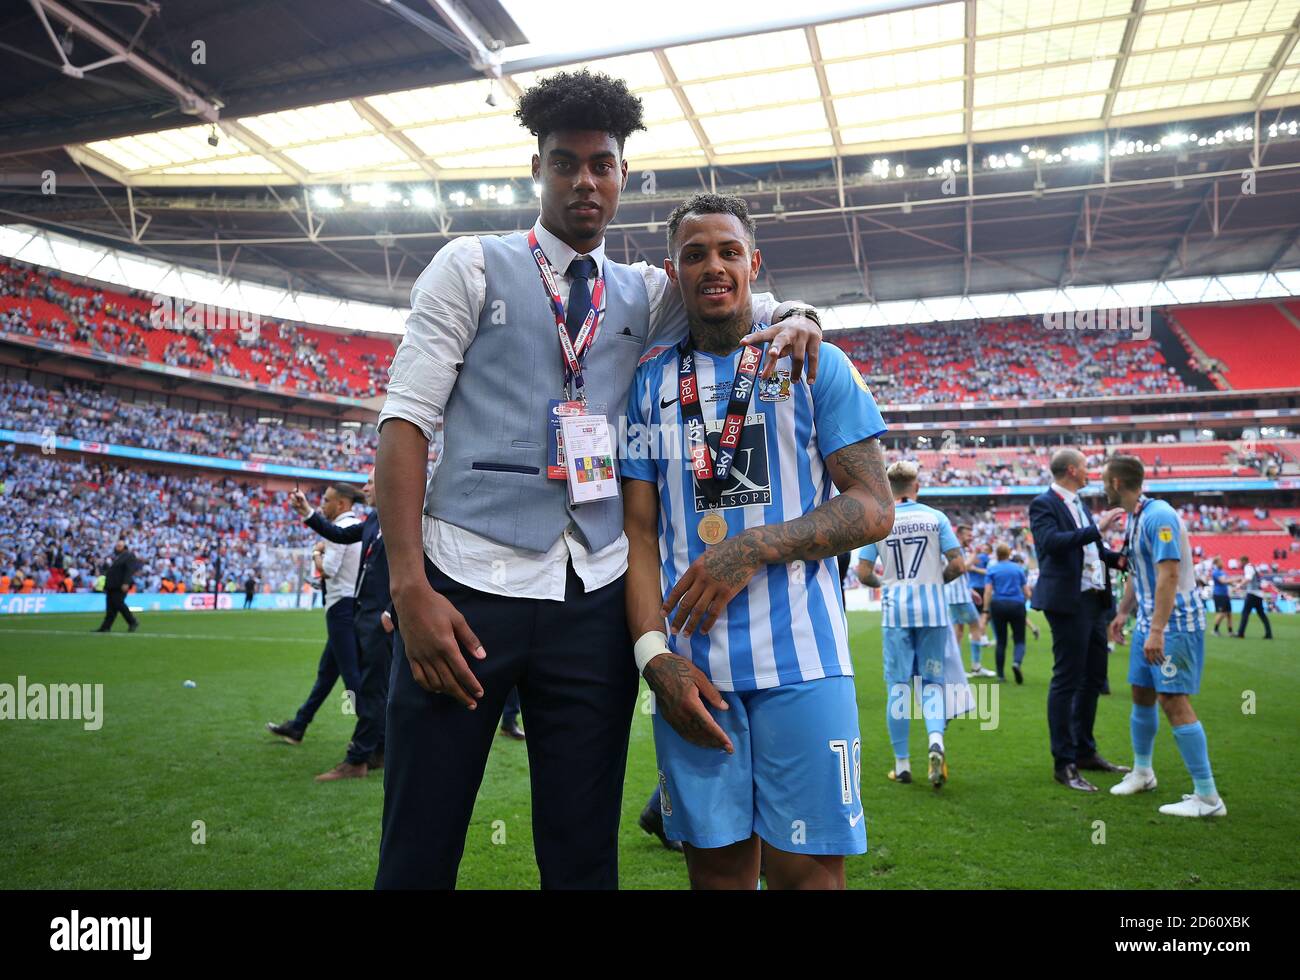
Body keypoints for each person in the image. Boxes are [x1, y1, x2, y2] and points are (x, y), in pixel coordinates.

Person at [372, 71, 823, 890]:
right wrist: (407, 585)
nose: (586, 181)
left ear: (622, 174)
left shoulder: (648, 294)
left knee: (583, 852)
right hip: (467, 582)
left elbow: (738, 298)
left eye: (602, 164)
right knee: (420, 839)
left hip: (593, 595)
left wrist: (803, 317)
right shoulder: (468, 266)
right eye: (565, 163)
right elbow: (404, 423)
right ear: (536, 170)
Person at [624, 193, 892, 888]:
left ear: (753, 264)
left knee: (808, 876)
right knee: (716, 877)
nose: (712, 266)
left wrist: (755, 545)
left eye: (728, 251)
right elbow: (639, 535)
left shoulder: (815, 364)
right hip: (694, 675)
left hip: (804, 666)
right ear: (672, 271)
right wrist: (655, 660)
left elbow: (872, 509)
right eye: (694, 254)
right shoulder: (648, 384)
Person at [1103, 456, 1225, 817]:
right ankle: (1143, 772)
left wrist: (1156, 629)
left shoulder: (1159, 517)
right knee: (1142, 692)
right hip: (1147, 621)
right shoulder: (1137, 517)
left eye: (1104, 480)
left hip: (1174, 623)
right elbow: (1139, 572)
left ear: (1117, 484)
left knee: (1173, 700)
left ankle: (1208, 798)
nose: (1101, 486)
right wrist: (1124, 612)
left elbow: (1168, 575)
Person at [856, 462, 965, 790]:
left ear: (888, 487)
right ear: (916, 485)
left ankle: (902, 764)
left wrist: (886, 583)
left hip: (896, 614)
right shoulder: (935, 518)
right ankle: (936, 741)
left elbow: (862, 573)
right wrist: (936, 582)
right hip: (932, 612)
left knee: (898, 687)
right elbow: (958, 564)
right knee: (932, 683)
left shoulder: (879, 520)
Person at [1028, 448, 1129, 792]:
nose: (1091, 472)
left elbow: (1093, 551)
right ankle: (1064, 762)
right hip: (1068, 602)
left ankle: (1085, 751)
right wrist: (1097, 529)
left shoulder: (1079, 503)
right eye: (1086, 467)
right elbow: (1050, 543)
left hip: (1094, 599)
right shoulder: (1044, 503)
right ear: (1072, 470)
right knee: (1067, 679)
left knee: (1094, 678)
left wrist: (1120, 560)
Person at [291, 473, 393, 780]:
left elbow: (421, 566)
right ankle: (379, 751)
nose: (365, 489)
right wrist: (308, 513)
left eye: (371, 482)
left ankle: (357, 760)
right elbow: (339, 535)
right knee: (370, 685)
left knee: (372, 689)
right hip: (363, 615)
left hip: (380, 620)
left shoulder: (404, 522)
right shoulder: (375, 521)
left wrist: (391, 612)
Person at [266, 483, 365, 751]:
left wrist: (315, 553)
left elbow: (329, 570)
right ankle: (299, 724)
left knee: (351, 676)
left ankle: (372, 736)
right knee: (327, 673)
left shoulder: (340, 531)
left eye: (327, 500)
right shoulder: (353, 526)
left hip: (340, 608)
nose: (322, 504)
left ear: (342, 504)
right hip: (347, 605)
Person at [948, 524, 993, 678]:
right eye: (969, 535)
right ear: (960, 535)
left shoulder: (953, 548)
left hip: (955, 595)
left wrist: (970, 590)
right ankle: (976, 667)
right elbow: (962, 568)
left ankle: (956, 668)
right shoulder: (957, 549)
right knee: (976, 626)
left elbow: (958, 573)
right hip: (959, 597)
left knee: (958, 632)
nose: (971, 538)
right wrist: (975, 554)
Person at [984, 542, 1030, 683]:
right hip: (1016, 604)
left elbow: (988, 591)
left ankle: (1001, 675)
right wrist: (1024, 602)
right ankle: (1016, 662)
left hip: (998, 604)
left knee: (1001, 641)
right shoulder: (1018, 569)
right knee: (1019, 639)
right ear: (1009, 554)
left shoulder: (992, 569)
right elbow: (1027, 591)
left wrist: (986, 610)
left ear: (997, 554)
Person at [94, 540, 139, 633]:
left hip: (120, 585)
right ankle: (106, 626)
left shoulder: (129, 556)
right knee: (110, 607)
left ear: (124, 547)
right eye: (117, 546)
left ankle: (132, 621)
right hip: (112, 585)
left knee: (118, 603)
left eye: (119, 546)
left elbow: (129, 570)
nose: (117, 547)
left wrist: (126, 582)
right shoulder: (117, 557)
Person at [1234, 556, 1273, 640]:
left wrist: (1239, 585)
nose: (1238, 564)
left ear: (1243, 561)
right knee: (1262, 615)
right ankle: (1269, 634)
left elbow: (1248, 578)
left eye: (1239, 562)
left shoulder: (1248, 567)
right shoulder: (1252, 567)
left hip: (1252, 593)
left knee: (1245, 613)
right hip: (1258, 594)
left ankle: (1240, 633)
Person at [1209, 556, 1235, 636]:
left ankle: (1230, 631)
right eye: (1221, 561)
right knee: (1221, 613)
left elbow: (1228, 581)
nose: (1222, 563)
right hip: (1219, 595)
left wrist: (1236, 585)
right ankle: (1215, 630)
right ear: (1217, 563)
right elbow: (1223, 581)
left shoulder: (1222, 572)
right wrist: (1235, 579)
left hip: (1225, 594)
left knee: (1229, 614)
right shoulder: (1216, 572)